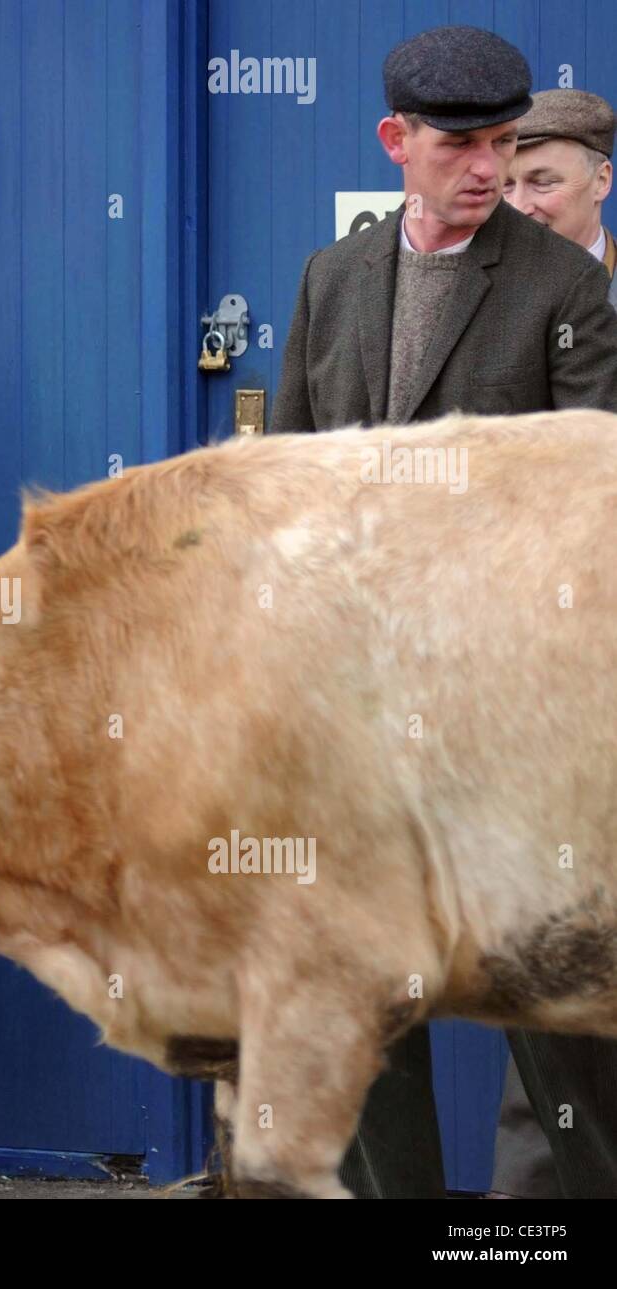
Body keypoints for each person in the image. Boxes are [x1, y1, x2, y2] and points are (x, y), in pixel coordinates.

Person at [271, 27, 617, 1197]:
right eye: (461, 145)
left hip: (510, 733)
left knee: (556, 1026)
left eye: (506, 145)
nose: (485, 167)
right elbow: (292, 488)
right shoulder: (334, 278)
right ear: (396, 142)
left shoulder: (565, 289)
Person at [489, 88, 617, 1198]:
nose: (523, 202)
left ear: (598, 184)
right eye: (510, 181)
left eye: (546, 181)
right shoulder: (490, 309)